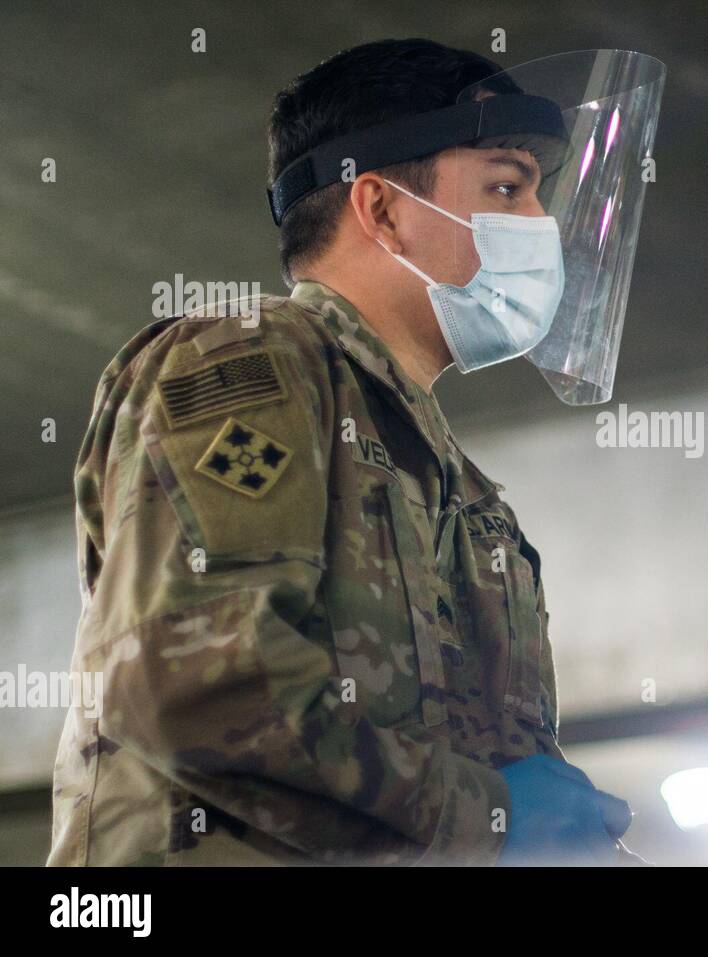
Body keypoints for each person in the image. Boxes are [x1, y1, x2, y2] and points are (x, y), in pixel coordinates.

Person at [47, 37, 663, 866]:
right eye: (506, 187)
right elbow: (190, 682)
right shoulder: (253, 358)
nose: (539, 223)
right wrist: (490, 816)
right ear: (380, 208)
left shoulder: (471, 502)